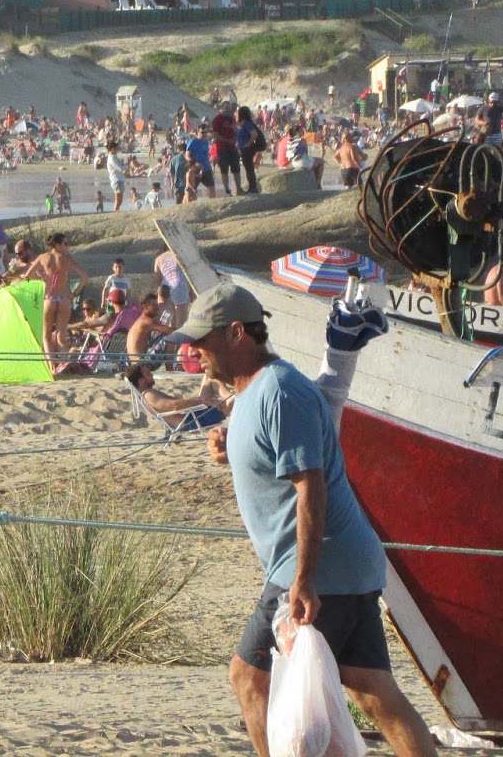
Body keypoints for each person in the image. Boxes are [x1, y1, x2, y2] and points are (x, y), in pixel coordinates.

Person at [173, 283, 437, 757]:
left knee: (249, 677)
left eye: (201, 339)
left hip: (318, 566)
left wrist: (304, 580)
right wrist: (231, 450)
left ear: (236, 333)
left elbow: (310, 486)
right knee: (372, 690)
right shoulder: (253, 391)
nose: (193, 350)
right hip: (346, 563)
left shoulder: (280, 391)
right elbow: (275, 454)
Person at [23, 234, 88, 360]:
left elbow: (28, 276)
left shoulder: (43, 257)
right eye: (65, 244)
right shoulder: (67, 259)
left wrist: (42, 280)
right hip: (64, 299)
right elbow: (84, 277)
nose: (68, 247)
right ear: (58, 245)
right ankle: (64, 364)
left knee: (46, 336)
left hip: (49, 298)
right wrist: (74, 294)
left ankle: (51, 365)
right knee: (61, 337)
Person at [125, 362, 230, 431]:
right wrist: (203, 401)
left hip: (193, 414)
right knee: (230, 403)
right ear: (141, 380)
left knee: (209, 374)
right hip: (194, 420)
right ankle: (229, 397)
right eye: (148, 374)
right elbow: (175, 406)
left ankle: (226, 395)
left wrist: (201, 400)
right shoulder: (148, 395)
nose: (152, 374)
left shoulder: (148, 394)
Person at [153, 245, 192, 329]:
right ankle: (178, 337)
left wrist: (157, 295)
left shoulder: (158, 259)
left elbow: (158, 279)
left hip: (164, 289)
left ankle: (164, 337)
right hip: (179, 287)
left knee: (165, 322)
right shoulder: (179, 255)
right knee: (181, 322)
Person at [125, 293, 172, 362]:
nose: (157, 308)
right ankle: (170, 367)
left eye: (157, 305)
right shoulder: (146, 321)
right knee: (169, 337)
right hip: (141, 362)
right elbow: (169, 330)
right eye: (154, 305)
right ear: (145, 307)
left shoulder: (141, 320)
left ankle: (170, 366)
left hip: (134, 361)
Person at [211, 104, 241, 195]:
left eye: (229, 108)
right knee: (224, 170)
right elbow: (215, 134)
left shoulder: (232, 118)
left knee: (236, 168)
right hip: (222, 147)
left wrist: (235, 138)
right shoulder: (217, 119)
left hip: (232, 147)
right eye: (226, 108)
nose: (228, 110)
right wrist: (226, 140)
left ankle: (239, 188)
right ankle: (227, 189)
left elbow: (236, 129)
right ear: (222, 109)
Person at [235, 106, 265, 194]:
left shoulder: (246, 123)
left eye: (237, 113)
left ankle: (253, 188)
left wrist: (248, 144)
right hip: (245, 149)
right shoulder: (245, 123)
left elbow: (254, 134)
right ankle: (252, 187)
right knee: (248, 168)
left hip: (247, 149)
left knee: (249, 168)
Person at [105, 140, 129, 212]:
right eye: (116, 148)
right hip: (116, 180)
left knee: (120, 200)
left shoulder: (114, 157)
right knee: (118, 200)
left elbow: (121, 166)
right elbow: (121, 168)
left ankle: (116, 211)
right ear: (112, 149)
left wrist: (126, 163)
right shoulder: (112, 159)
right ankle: (115, 212)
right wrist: (127, 164)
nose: (117, 150)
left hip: (119, 179)